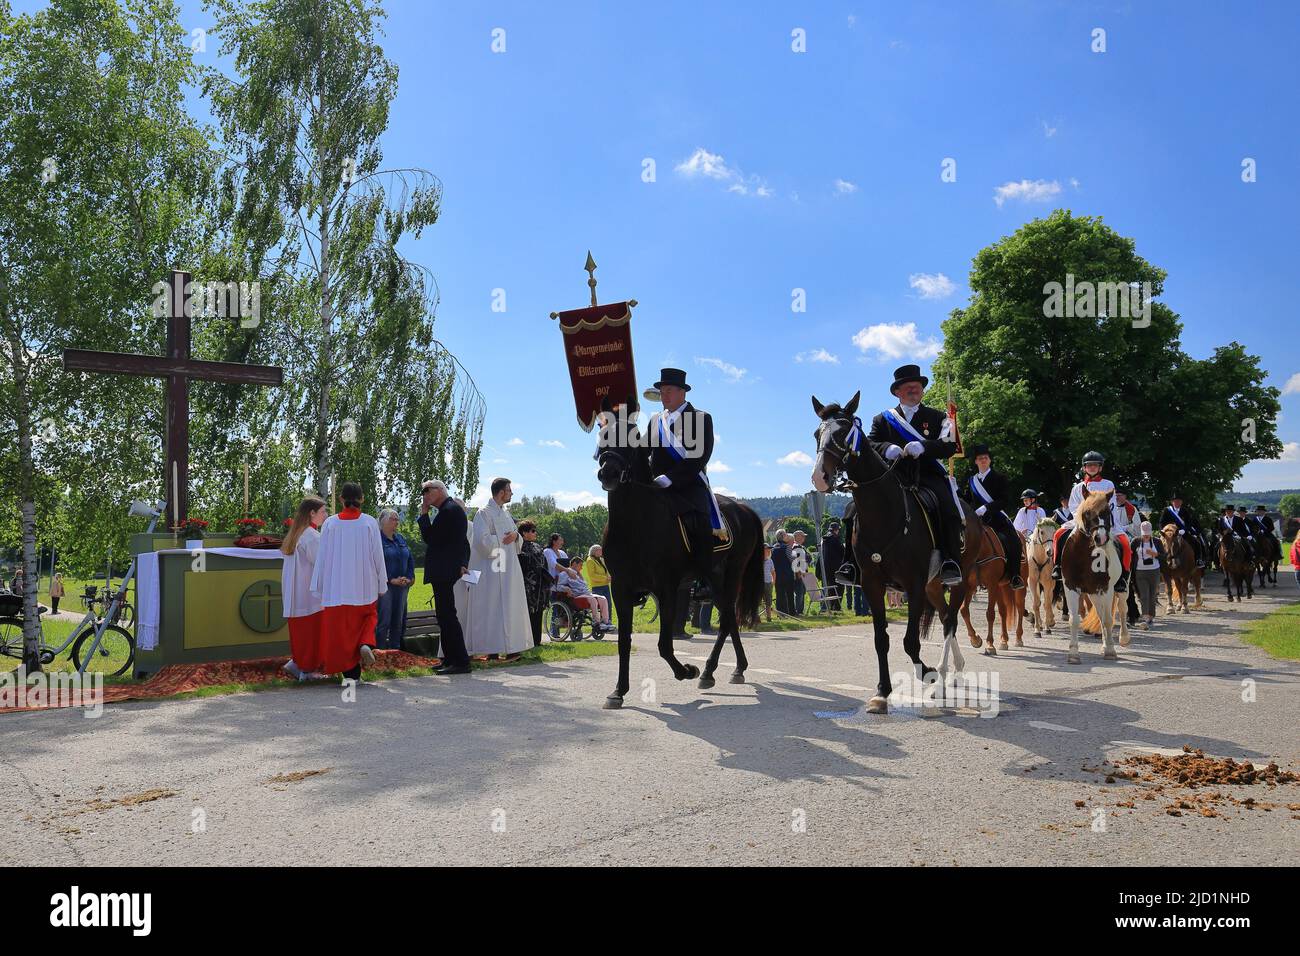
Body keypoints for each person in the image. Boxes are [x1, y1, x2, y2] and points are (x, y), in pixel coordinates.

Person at [866, 363, 964, 586]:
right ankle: (853, 563)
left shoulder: (939, 417)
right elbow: (871, 443)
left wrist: (925, 447)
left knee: (949, 509)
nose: (913, 390)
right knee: (854, 510)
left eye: (917, 386)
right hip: (893, 475)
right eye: (908, 387)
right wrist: (886, 449)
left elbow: (949, 445)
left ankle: (950, 562)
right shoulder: (882, 420)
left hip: (927, 474)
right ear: (897, 392)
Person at [642, 367, 719, 599]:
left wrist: (671, 478)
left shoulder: (701, 418)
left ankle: (704, 577)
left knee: (697, 520)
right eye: (661, 392)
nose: (663, 396)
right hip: (656, 487)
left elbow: (700, 455)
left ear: (681, 393)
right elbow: (644, 451)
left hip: (688, 484)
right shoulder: (656, 421)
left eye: (667, 391)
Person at [310, 482, 384, 680]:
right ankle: (366, 644)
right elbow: (378, 555)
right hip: (364, 586)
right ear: (362, 499)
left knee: (341, 633)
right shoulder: (369, 522)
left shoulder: (330, 523)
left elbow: (322, 556)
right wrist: (382, 582)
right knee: (368, 618)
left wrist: (318, 586)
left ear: (341, 499)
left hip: (337, 588)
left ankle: (351, 675)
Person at [458, 477, 532, 660]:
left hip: (509, 570)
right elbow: (481, 541)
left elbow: (516, 539)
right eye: (509, 490)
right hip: (491, 570)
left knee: (510, 606)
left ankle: (512, 647)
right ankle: (491, 650)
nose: (512, 493)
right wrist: (502, 539)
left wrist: (515, 536)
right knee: (492, 608)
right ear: (501, 492)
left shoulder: (506, 514)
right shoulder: (483, 513)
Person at [1051, 451, 1133, 592]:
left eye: (1095, 465)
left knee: (1125, 542)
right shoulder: (1078, 487)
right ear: (1084, 468)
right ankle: (1057, 566)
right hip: (1082, 523)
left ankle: (1122, 578)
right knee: (1058, 534)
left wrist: (1106, 522)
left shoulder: (1108, 484)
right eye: (1089, 465)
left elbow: (1111, 505)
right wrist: (1082, 520)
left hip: (1105, 522)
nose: (1092, 467)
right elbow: (1073, 507)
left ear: (1100, 467)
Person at [418, 479, 472, 675]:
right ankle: (450, 659)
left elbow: (430, 538)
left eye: (427, 490)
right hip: (446, 569)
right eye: (423, 491)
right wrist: (462, 563)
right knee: (445, 615)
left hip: (443, 570)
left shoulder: (448, 511)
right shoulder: (449, 510)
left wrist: (423, 515)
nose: (424, 495)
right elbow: (462, 543)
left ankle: (460, 661)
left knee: (448, 616)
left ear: (440, 490)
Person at [963, 444, 1025, 589]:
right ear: (976, 462)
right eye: (980, 458)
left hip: (997, 520)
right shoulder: (971, 481)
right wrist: (955, 489)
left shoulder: (1000, 478)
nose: (983, 460)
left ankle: (1015, 575)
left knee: (1014, 541)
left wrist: (987, 507)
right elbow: (967, 500)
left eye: (985, 458)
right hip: (977, 521)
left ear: (990, 460)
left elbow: (1004, 500)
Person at [281, 495, 328, 679]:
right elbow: (321, 564)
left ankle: (297, 663)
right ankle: (307, 670)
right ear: (312, 513)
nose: (325, 515)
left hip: (295, 594)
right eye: (323, 512)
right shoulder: (312, 536)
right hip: (310, 594)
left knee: (300, 632)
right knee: (312, 632)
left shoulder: (296, 534)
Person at [375, 508, 414, 650]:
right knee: (384, 620)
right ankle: (379, 653)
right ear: (382, 521)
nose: (396, 522)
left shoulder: (400, 539)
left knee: (399, 620)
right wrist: (391, 579)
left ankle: (395, 651)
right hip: (386, 587)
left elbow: (410, 559)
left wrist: (409, 578)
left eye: (397, 519)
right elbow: (376, 564)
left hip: (403, 586)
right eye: (393, 519)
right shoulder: (377, 540)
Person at [517, 520, 551, 647]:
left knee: (538, 612)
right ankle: (526, 641)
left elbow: (544, 563)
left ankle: (537, 641)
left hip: (540, 586)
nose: (535, 533)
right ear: (524, 533)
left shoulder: (537, 546)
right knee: (528, 613)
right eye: (532, 531)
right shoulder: (518, 546)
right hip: (527, 585)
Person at [1131, 521, 1165, 627]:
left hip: (1154, 571)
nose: (1146, 536)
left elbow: (1164, 556)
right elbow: (1130, 556)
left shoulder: (1157, 542)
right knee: (1144, 595)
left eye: (1148, 534)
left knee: (1152, 595)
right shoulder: (1135, 541)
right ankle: (1145, 617)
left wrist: (1155, 554)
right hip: (1140, 572)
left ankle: (1151, 616)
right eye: (1144, 534)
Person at [1159, 493, 1205, 569]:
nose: (1177, 503)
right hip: (1169, 534)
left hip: (1182, 533)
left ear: (1181, 502)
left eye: (1179, 501)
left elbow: (1189, 523)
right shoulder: (1166, 511)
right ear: (1172, 502)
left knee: (1196, 542)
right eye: (1175, 501)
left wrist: (1184, 530)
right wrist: (1163, 531)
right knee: (1158, 543)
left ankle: (1198, 560)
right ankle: (1159, 563)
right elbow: (1161, 522)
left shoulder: (1184, 511)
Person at [585, 544, 614, 623]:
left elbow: (606, 571)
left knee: (608, 604)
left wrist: (609, 577)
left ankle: (608, 621)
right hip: (597, 587)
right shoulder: (590, 560)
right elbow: (592, 575)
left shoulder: (601, 559)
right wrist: (605, 578)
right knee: (600, 606)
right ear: (594, 551)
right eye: (600, 550)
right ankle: (600, 622)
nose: (602, 551)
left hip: (605, 585)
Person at [819, 521, 844, 611]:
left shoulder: (824, 539)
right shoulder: (835, 539)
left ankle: (830, 606)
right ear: (836, 530)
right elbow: (842, 552)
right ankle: (836, 606)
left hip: (826, 568)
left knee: (830, 587)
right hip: (836, 567)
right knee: (839, 587)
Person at [771, 530, 794, 614]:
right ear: (783, 536)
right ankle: (790, 612)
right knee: (789, 594)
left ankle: (780, 613)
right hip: (787, 574)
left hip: (777, 574)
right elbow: (791, 559)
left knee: (779, 594)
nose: (787, 536)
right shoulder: (787, 547)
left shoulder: (773, 548)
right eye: (786, 535)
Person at [789, 530, 809, 614]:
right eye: (802, 536)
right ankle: (798, 611)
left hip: (802, 573)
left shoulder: (801, 547)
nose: (804, 537)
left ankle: (800, 610)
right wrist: (799, 573)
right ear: (796, 537)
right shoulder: (796, 547)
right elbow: (796, 562)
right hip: (798, 574)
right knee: (799, 592)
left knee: (802, 592)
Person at [761, 543, 775, 622]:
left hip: (768, 583)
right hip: (760, 584)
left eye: (769, 549)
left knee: (768, 601)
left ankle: (769, 617)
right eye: (767, 549)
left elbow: (773, 572)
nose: (769, 551)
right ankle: (756, 618)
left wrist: (773, 582)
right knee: (757, 601)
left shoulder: (770, 560)